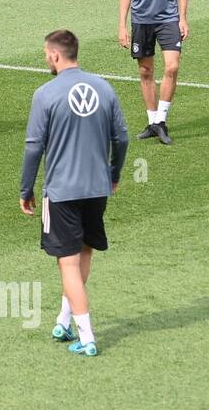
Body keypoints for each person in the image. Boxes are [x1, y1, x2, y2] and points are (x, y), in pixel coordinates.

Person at [20, 30, 129, 357]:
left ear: (55, 55)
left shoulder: (46, 94)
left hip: (62, 191)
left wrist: (26, 189)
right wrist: (114, 174)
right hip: (96, 188)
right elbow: (121, 138)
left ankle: (87, 336)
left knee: (66, 263)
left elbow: (33, 147)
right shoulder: (104, 87)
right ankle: (65, 320)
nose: (45, 58)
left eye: (45, 54)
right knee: (83, 253)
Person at [116, 0, 191, 145]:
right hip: (141, 20)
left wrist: (182, 17)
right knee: (145, 71)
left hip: (168, 18)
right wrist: (122, 25)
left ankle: (161, 120)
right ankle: (152, 122)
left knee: (172, 67)